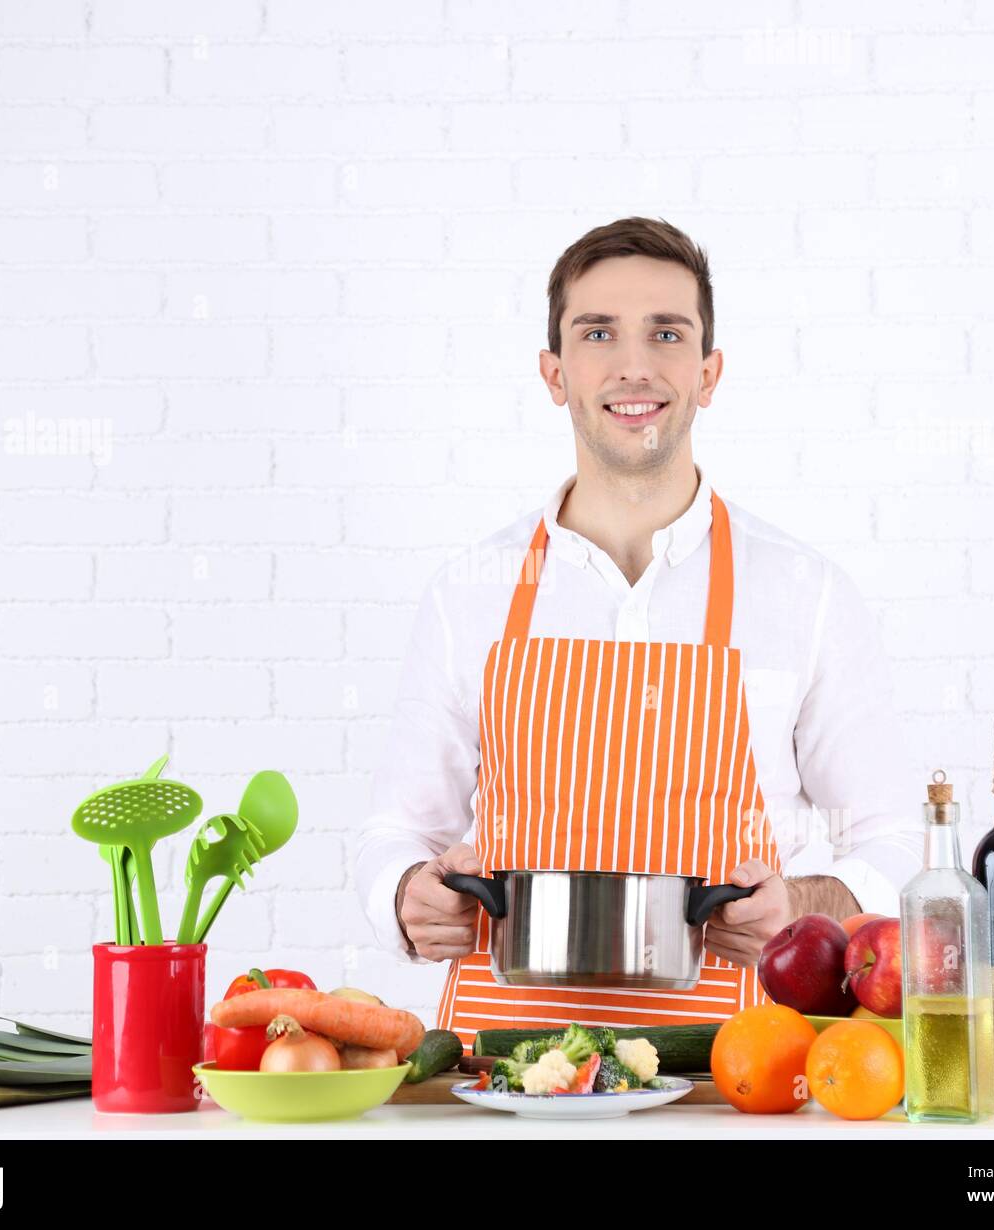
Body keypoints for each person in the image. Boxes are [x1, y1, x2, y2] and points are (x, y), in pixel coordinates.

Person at [354, 216, 922, 1044]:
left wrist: (804, 905)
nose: (634, 365)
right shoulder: (464, 597)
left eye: (667, 332)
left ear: (709, 370)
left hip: (737, 1076)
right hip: (506, 1079)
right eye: (597, 333)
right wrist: (403, 895)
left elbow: (897, 841)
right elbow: (396, 831)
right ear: (554, 373)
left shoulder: (810, 596)